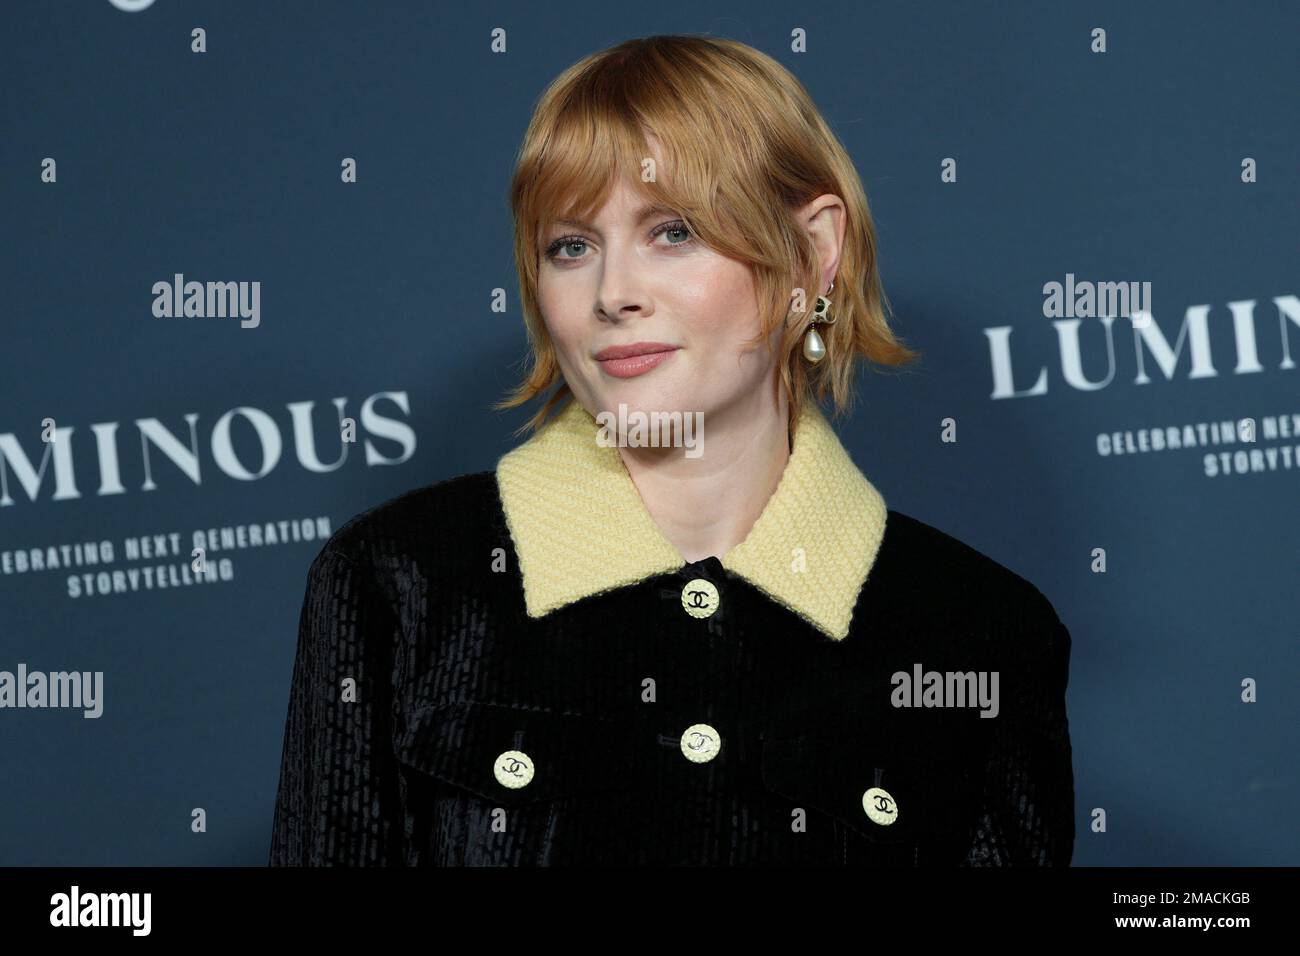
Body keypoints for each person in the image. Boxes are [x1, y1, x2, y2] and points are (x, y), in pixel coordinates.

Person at [269, 34, 1074, 866]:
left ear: (813, 251)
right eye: (570, 246)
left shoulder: (981, 630)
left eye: (674, 232)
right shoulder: (398, 580)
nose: (613, 293)